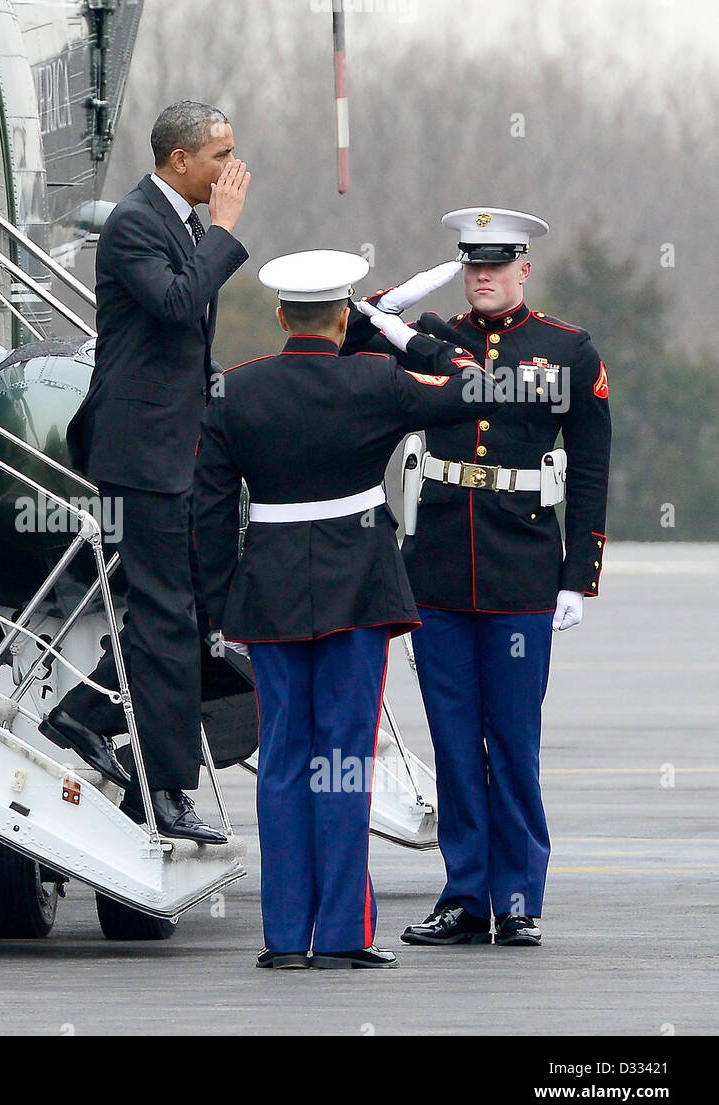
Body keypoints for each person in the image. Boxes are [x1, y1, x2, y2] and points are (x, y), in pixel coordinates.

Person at [193, 250, 501, 968]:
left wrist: (216, 604)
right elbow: (478, 389)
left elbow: (208, 515)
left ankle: (283, 939)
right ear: (345, 316)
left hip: (266, 590)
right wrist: (408, 335)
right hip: (357, 588)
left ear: (279, 316)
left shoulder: (234, 391)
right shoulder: (376, 379)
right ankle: (339, 936)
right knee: (343, 760)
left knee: (282, 763)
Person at [344, 208, 613, 947]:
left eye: (496, 264)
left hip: (523, 570)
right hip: (436, 569)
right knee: (455, 742)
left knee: (513, 741)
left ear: (525, 267)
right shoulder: (434, 340)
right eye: (470, 264)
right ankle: (466, 895)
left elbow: (589, 468)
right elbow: (346, 336)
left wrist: (576, 576)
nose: (482, 276)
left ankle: (520, 895)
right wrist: (395, 298)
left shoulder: (567, 351)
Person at [41, 101, 251, 843]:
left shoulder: (182, 224)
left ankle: (84, 712)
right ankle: (167, 792)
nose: (233, 169)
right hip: (138, 454)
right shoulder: (134, 222)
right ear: (180, 161)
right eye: (221, 154)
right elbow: (173, 303)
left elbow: (184, 346)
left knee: (180, 616)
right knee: (166, 617)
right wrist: (223, 231)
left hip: (178, 448)